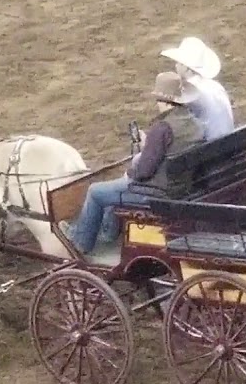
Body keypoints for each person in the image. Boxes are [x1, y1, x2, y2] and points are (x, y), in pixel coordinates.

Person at [60, 72, 204, 254]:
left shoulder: (162, 128)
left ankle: (81, 242)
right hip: (181, 187)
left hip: (157, 194)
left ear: (162, 100)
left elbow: (144, 171)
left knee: (96, 192)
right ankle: (108, 232)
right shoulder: (195, 123)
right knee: (114, 188)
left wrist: (132, 171)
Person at [160, 36, 235, 141]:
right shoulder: (216, 86)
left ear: (186, 67)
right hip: (230, 145)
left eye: (178, 63)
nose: (176, 66)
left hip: (208, 151)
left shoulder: (188, 91)